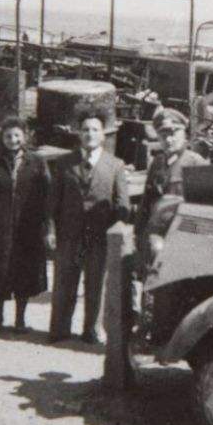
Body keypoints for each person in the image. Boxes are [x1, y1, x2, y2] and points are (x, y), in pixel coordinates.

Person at [46, 111, 129, 343]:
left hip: (99, 238)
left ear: (103, 135)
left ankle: (91, 330)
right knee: (64, 283)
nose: (89, 134)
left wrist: (118, 232)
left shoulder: (115, 166)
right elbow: (52, 203)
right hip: (69, 236)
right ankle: (59, 329)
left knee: (95, 284)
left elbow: (122, 204)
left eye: (94, 130)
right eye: (85, 129)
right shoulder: (64, 164)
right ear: (78, 134)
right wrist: (51, 231)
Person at [0, 117, 51, 332]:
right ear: (1, 138)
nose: (13, 140)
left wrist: (44, 223)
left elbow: (46, 194)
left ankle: (20, 320)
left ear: (24, 137)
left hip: (27, 226)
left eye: (17, 135)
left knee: (23, 271)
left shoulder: (36, 162)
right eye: (8, 136)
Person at [135, 108, 207, 257]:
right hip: (158, 234)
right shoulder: (158, 162)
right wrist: (139, 232)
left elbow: (205, 207)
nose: (168, 140)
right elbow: (147, 200)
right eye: (163, 135)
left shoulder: (195, 163)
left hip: (184, 235)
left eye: (173, 134)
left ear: (184, 134)